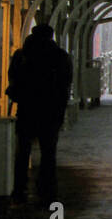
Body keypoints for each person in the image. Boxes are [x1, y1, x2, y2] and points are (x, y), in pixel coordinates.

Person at [7, 23, 73, 203]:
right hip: (51, 112)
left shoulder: (22, 55)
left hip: (27, 110)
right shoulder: (60, 56)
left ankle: (19, 189)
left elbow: (12, 77)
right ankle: (47, 189)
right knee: (48, 152)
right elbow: (66, 82)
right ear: (51, 36)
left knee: (22, 152)